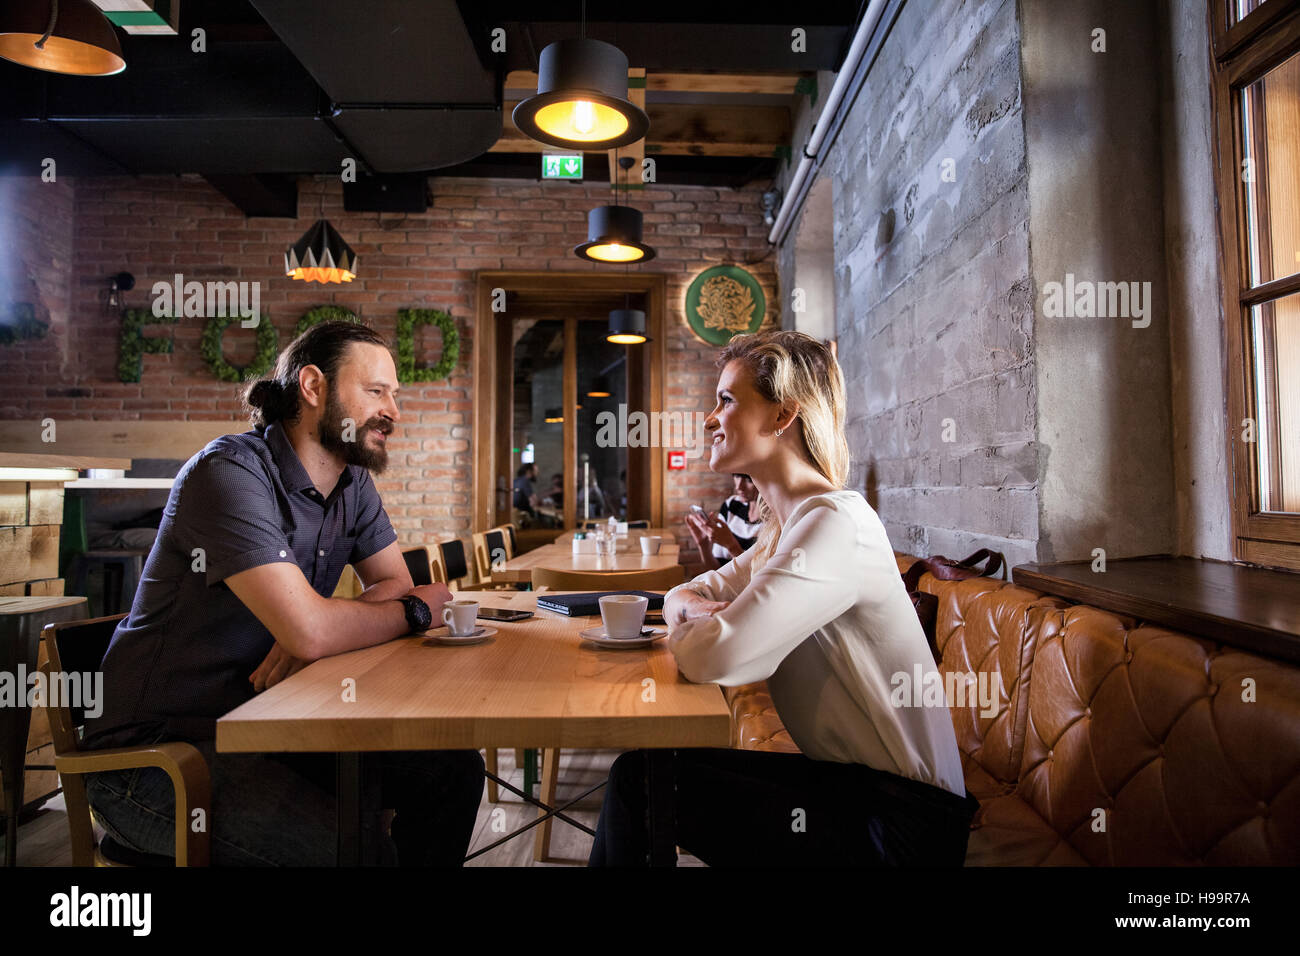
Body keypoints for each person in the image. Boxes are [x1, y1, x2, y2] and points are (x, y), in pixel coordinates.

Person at [82, 321, 485, 866]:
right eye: (375, 392)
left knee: (450, 772)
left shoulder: (352, 483)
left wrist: (316, 632)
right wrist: (404, 613)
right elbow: (391, 604)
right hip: (155, 758)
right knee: (361, 853)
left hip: (266, 725)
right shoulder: (229, 472)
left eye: (395, 395)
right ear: (313, 387)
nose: (394, 411)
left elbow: (390, 585)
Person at [589, 329, 979, 866]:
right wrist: (698, 611)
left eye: (726, 400)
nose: (708, 419)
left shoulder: (835, 522)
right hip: (850, 791)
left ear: (781, 416)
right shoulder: (785, 529)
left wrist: (707, 623)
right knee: (645, 775)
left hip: (904, 825)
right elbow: (685, 592)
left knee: (642, 782)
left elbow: (718, 656)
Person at [685, 473, 762, 570]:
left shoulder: (775, 521)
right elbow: (715, 570)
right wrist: (703, 545)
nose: (739, 487)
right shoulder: (731, 505)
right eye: (737, 476)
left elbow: (757, 576)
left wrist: (731, 545)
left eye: (748, 479)